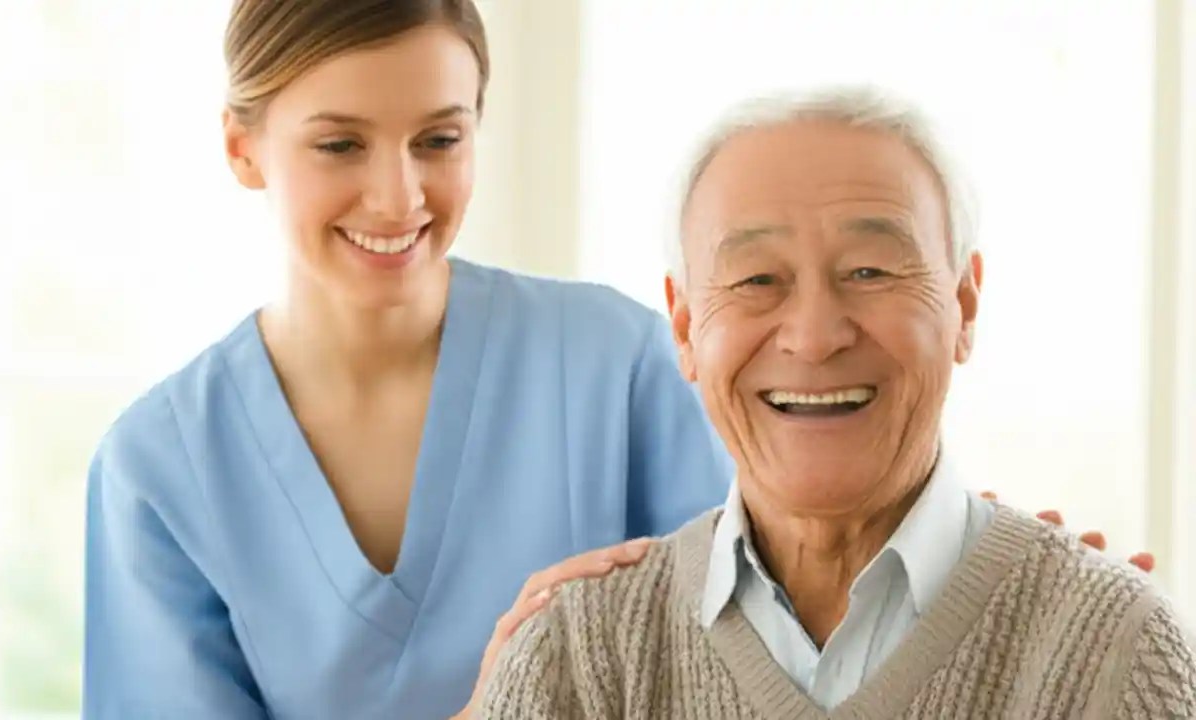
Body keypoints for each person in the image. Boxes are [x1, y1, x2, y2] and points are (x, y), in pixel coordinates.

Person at [81, 3, 1152, 718]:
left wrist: (1006, 585)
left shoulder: (611, 360)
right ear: (240, 147)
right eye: (339, 144)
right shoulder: (161, 472)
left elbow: (806, 583)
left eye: (440, 140)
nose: (399, 196)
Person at [478, 86, 1196, 718]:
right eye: (757, 279)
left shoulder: (1115, 651)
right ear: (687, 326)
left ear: (964, 305)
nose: (815, 336)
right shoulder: (576, 656)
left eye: (869, 270)